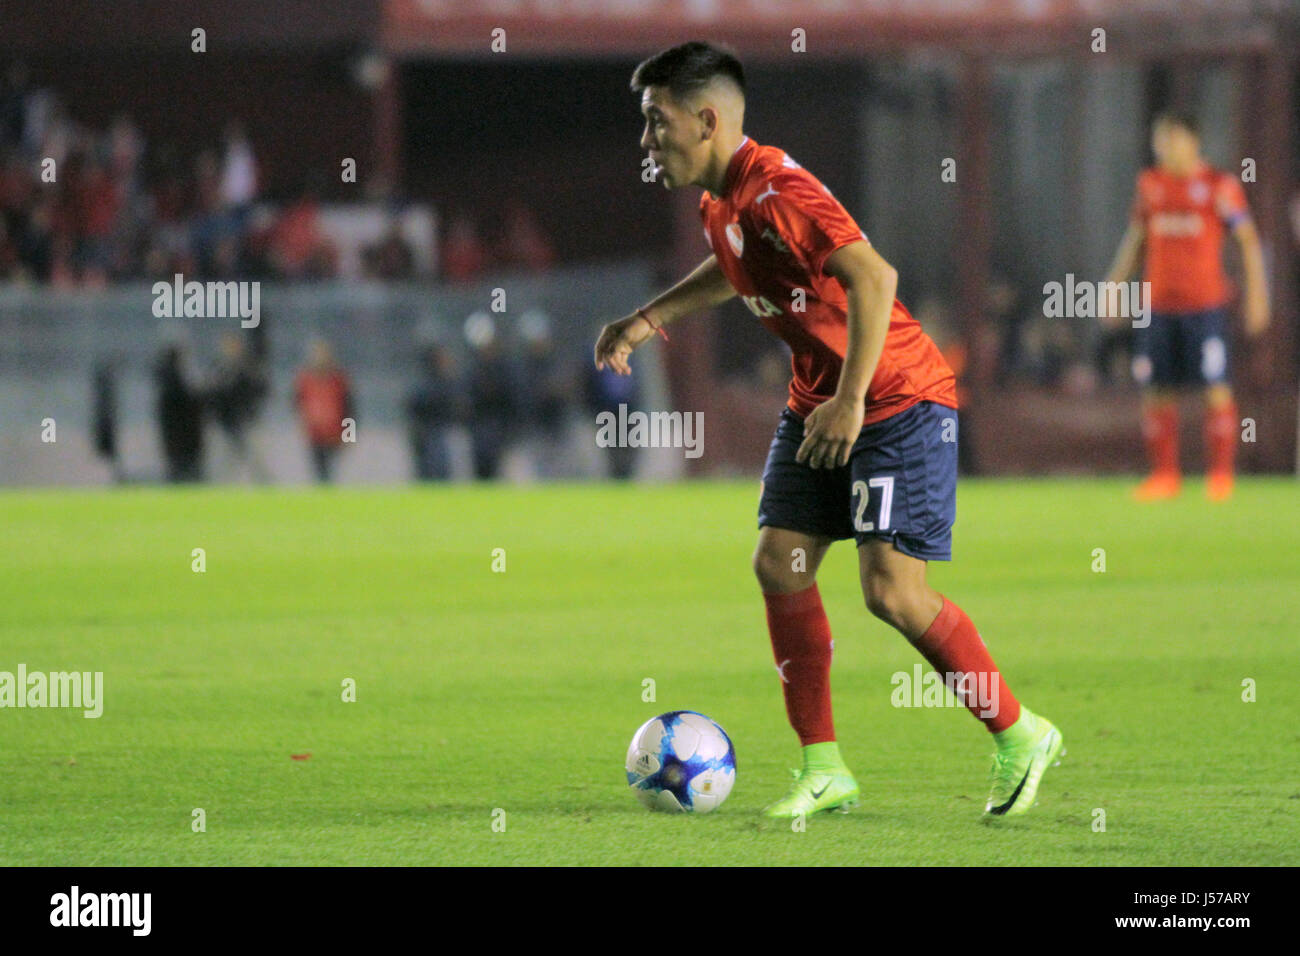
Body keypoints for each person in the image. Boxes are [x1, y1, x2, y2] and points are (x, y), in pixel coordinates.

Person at [594, 41, 1062, 820]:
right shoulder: (723, 204)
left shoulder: (780, 188)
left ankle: (1020, 732)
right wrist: (649, 318)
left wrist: (848, 402)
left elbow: (874, 276)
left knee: (892, 593)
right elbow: (735, 264)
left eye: (655, 122)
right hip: (823, 399)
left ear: (706, 119)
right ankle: (825, 767)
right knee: (780, 563)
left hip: (897, 401)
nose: (646, 141)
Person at [1103, 110, 1270, 501]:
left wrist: (1258, 295)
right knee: (1157, 390)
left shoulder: (1219, 186)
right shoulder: (1151, 185)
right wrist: (1113, 285)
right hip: (1158, 306)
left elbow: (1247, 240)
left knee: (1216, 387)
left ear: (1193, 142)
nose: (1165, 148)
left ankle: (1220, 476)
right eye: (1160, 140)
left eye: (1173, 139)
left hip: (1205, 307)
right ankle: (1165, 476)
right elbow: (1136, 240)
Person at [293, 339, 352, 483]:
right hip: (314, 434)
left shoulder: (339, 379)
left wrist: (349, 436)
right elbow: (297, 405)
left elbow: (349, 409)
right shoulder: (304, 379)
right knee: (320, 472)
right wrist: (301, 425)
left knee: (333, 471)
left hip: (335, 435)